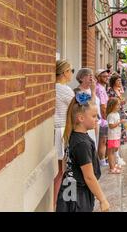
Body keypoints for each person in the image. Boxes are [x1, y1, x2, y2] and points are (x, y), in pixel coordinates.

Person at [56, 95, 109, 212]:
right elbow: (89, 177)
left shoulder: (74, 135)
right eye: (94, 116)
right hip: (77, 196)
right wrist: (102, 199)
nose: (97, 119)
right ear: (81, 118)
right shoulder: (82, 144)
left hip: (69, 189)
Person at [54, 60, 75, 206]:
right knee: (62, 170)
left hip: (54, 130)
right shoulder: (65, 90)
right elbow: (80, 107)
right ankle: (56, 203)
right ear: (64, 73)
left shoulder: (52, 87)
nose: (72, 74)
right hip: (61, 130)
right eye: (71, 71)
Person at [107, 74, 127, 166]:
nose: (120, 82)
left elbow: (118, 102)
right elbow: (111, 103)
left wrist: (122, 102)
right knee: (115, 136)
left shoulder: (119, 90)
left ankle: (117, 156)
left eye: (120, 81)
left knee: (119, 134)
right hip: (115, 114)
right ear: (113, 81)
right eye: (118, 81)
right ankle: (116, 157)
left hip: (120, 113)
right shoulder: (110, 91)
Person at [74, 68, 99, 144]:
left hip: (95, 122)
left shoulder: (90, 89)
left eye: (92, 75)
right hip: (86, 124)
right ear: (81, 78)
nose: (91, 77)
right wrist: (93, 92)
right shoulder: (78, 91)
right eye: (89, 75)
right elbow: (90, 107)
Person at [106, 98, 126, 174]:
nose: (119, 106)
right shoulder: (110, 115)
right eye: (117, 104)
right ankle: (112, 168)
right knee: (111, 152)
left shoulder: (116, 114)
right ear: (112, 106)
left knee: (115, 150)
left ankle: (114, 165)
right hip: (112, 136)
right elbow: (111, 126)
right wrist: (119, 122)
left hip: (116, 135)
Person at [95, 69, 110, 167]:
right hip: (102, 120)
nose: (107, 78)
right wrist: (107, 119)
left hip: (100, 119)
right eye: (104, 76)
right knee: (103, 141)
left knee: (103, 140)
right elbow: (103, 106)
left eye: (107, 76)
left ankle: (102, 159)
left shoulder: (100, 87)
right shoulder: (99, 89)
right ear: (98, 77)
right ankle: (102, 161)